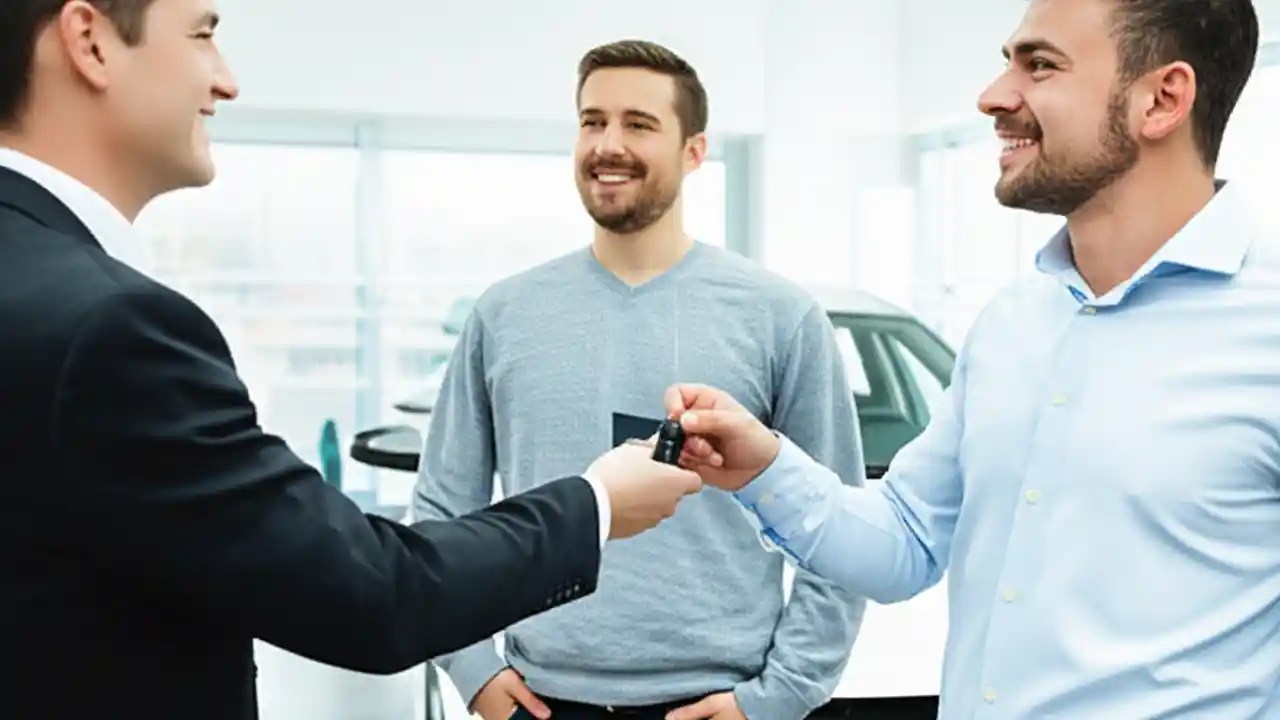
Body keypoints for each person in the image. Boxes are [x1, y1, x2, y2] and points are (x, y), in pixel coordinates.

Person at [0, 2, 703, 718]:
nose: (227, 81)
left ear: (695, 151)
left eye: (639, 123)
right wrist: (600, 502)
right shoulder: (111, 328)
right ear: (89, 42)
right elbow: (376, 589)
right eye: (204, 35)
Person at [663, 0, 1280, 718]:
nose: (994, 96)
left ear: (1162, 99)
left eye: (1040, 65)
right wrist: (764, 466)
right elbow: (905, 540)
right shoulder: (1013, 323)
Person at [412, 39, 866, 720]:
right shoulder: (504, 313)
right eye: (592, 121)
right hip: (539, 700)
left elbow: (839, 529)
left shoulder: (780, 315)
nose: (608, 143)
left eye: (639, 124)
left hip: (720, 702)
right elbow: (444, 512)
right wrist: (472, 668)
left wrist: (777, 699)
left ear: (693, 151)